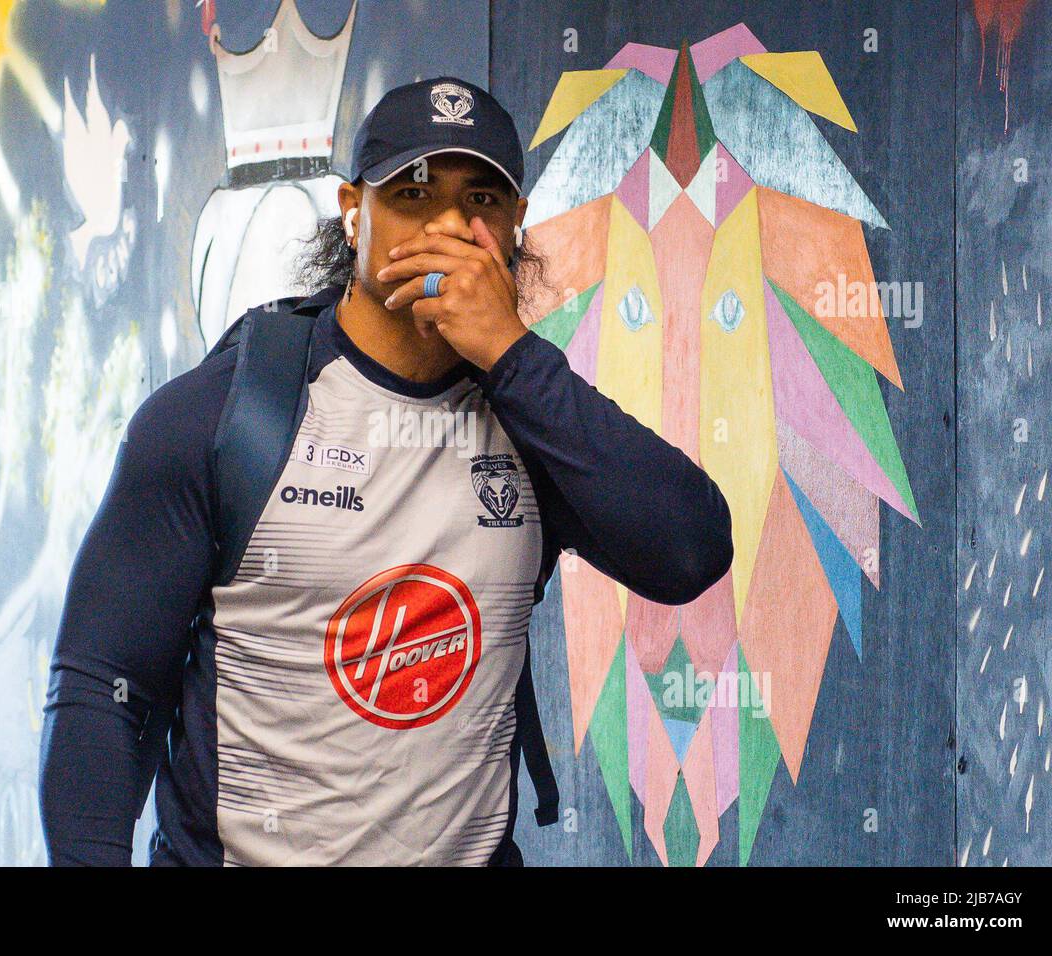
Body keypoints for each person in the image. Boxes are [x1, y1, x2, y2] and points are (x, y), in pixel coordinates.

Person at [39, 76, 733, 866]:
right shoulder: (226, 418)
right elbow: (103, 688)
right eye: (411, 193)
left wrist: (509, 355)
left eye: (481, 201)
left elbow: (690, 552)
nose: (446, 227)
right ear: (351, 210)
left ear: (513, 227)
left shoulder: (535, 417)